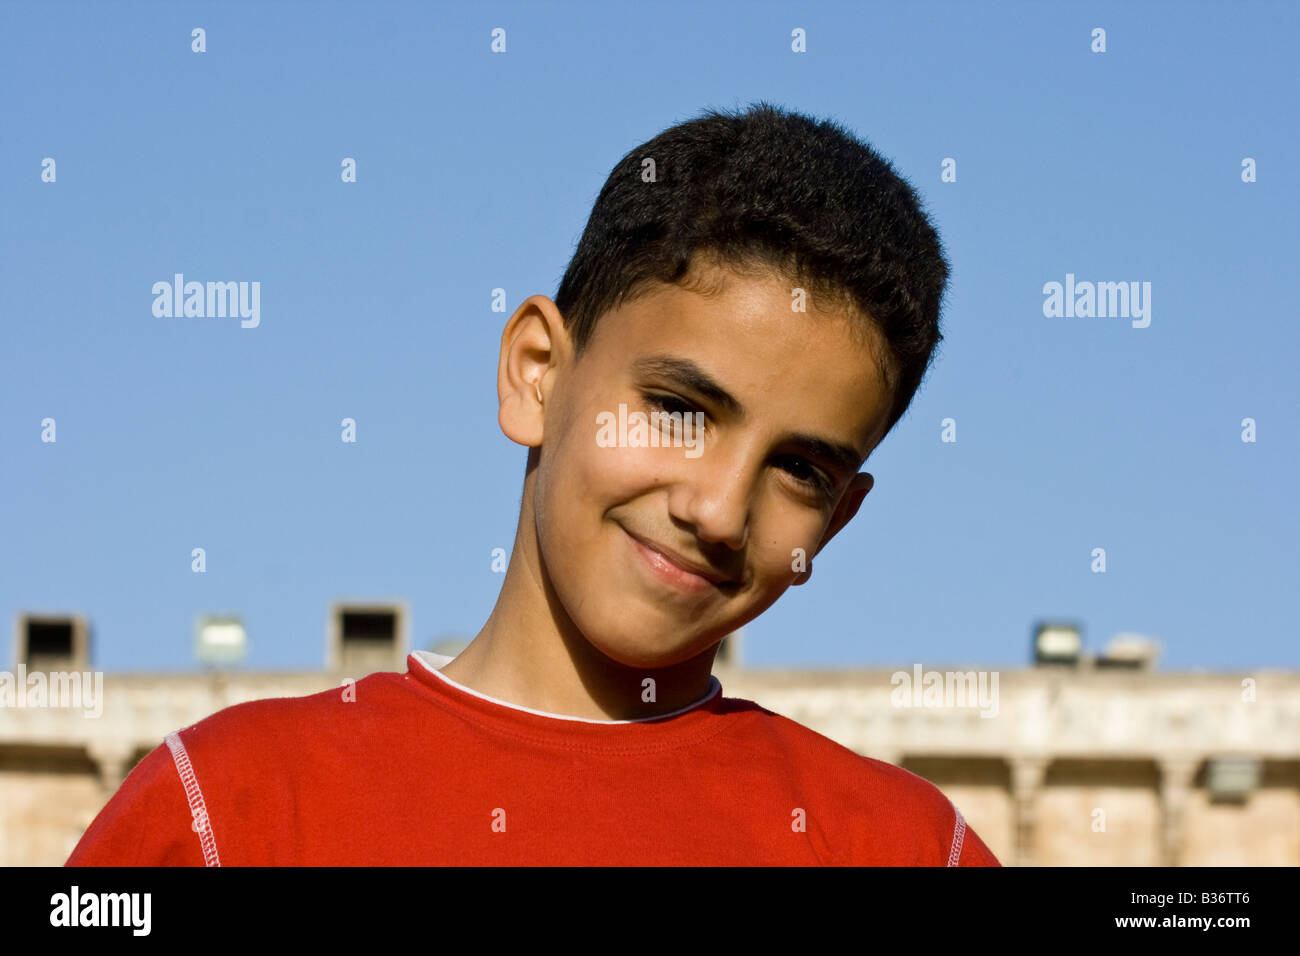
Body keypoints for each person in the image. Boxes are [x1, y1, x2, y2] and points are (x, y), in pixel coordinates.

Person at [67, 101, 1000, 866]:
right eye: (679, 408)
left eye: (799, 469)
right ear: (536, 373)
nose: (717, 510)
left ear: (835, 522)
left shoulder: (907, 849)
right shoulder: (227, 812)